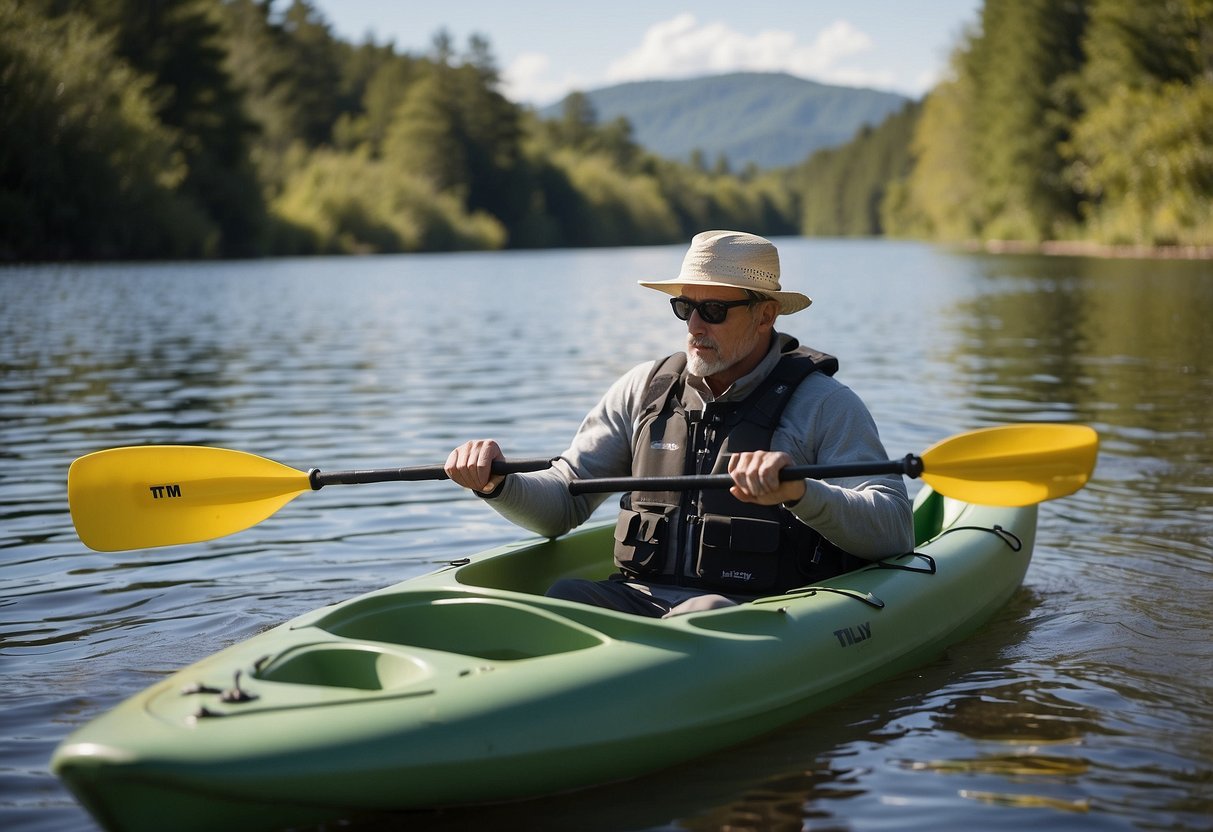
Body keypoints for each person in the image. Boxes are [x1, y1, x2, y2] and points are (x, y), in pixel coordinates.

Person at [446, 230, 914, 618]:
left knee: (704, 612)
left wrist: (800, 493)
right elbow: (562, 500)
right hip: (642, 600)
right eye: (684, 307)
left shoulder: (825, 405)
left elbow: (894, 529)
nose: (694, 325)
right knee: (566, 598)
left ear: (765, 315)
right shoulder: (641, 389)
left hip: (759, 614)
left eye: (713, 311)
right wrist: (497, 484)